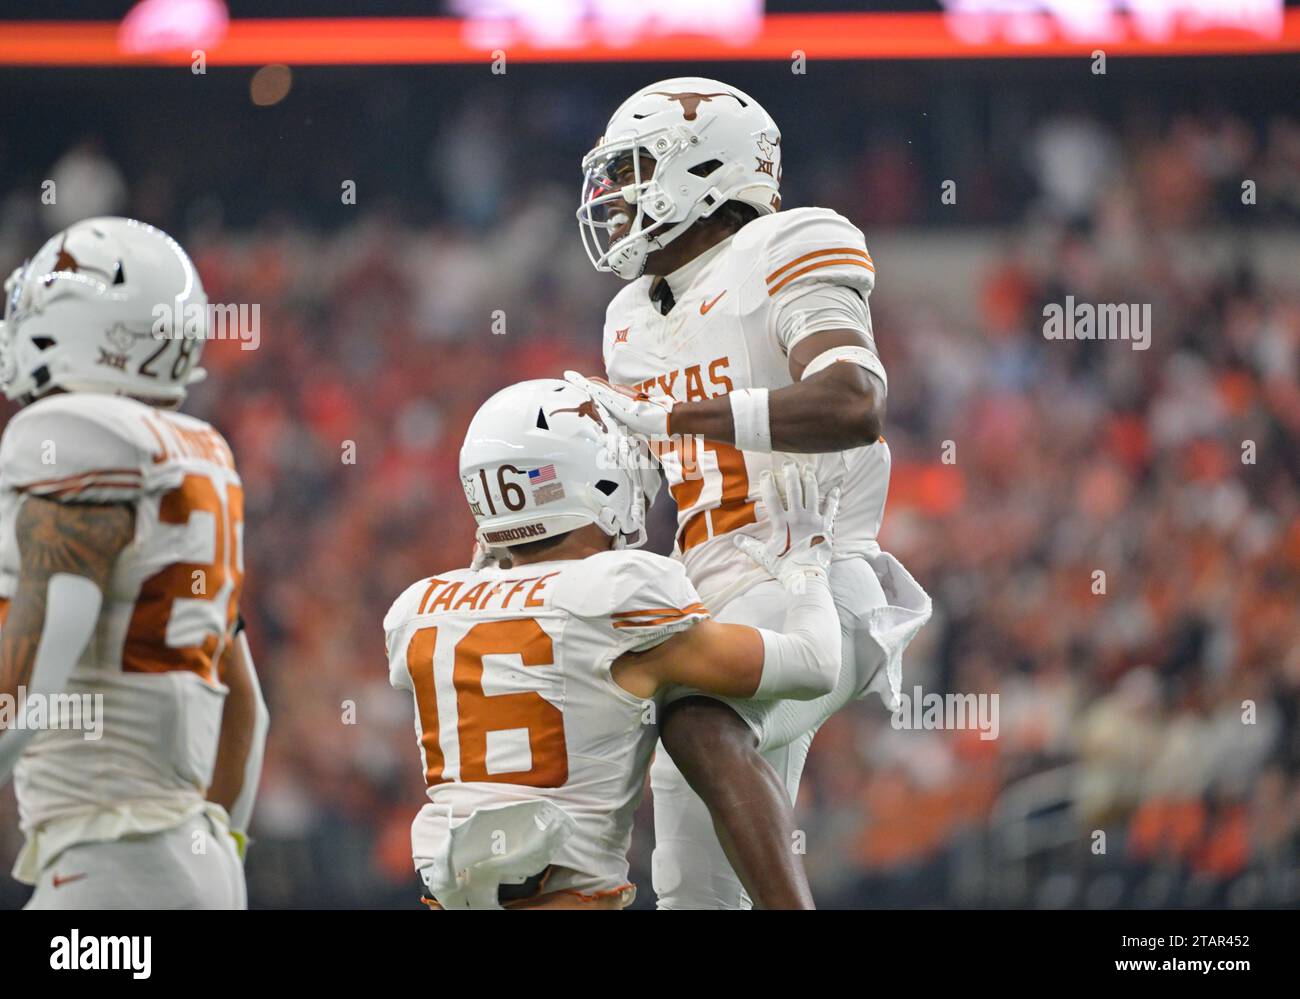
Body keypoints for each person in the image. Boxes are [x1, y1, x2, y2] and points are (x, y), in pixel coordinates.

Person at [570, 77, 932, 908]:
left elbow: (852, 402)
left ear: (703, 172)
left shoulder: (790, 244)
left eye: (631, 171)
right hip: (708, 586)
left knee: (699, 716)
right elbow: (640, 484)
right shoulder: (629, 317)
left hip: (813, 563)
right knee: (694, 886)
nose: (611, 198)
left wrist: (667, 415)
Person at [384, 378, 841, 909]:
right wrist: (807, 568)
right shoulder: (618, 596)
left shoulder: (419, 608)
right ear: (595, 481)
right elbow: (815, 665)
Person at [0, 217, 266, 909]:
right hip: (199, 865)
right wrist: (210, 854)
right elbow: (248, 710)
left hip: (106, 869)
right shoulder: (198, 450)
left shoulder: (70, 436)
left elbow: (30, 676)